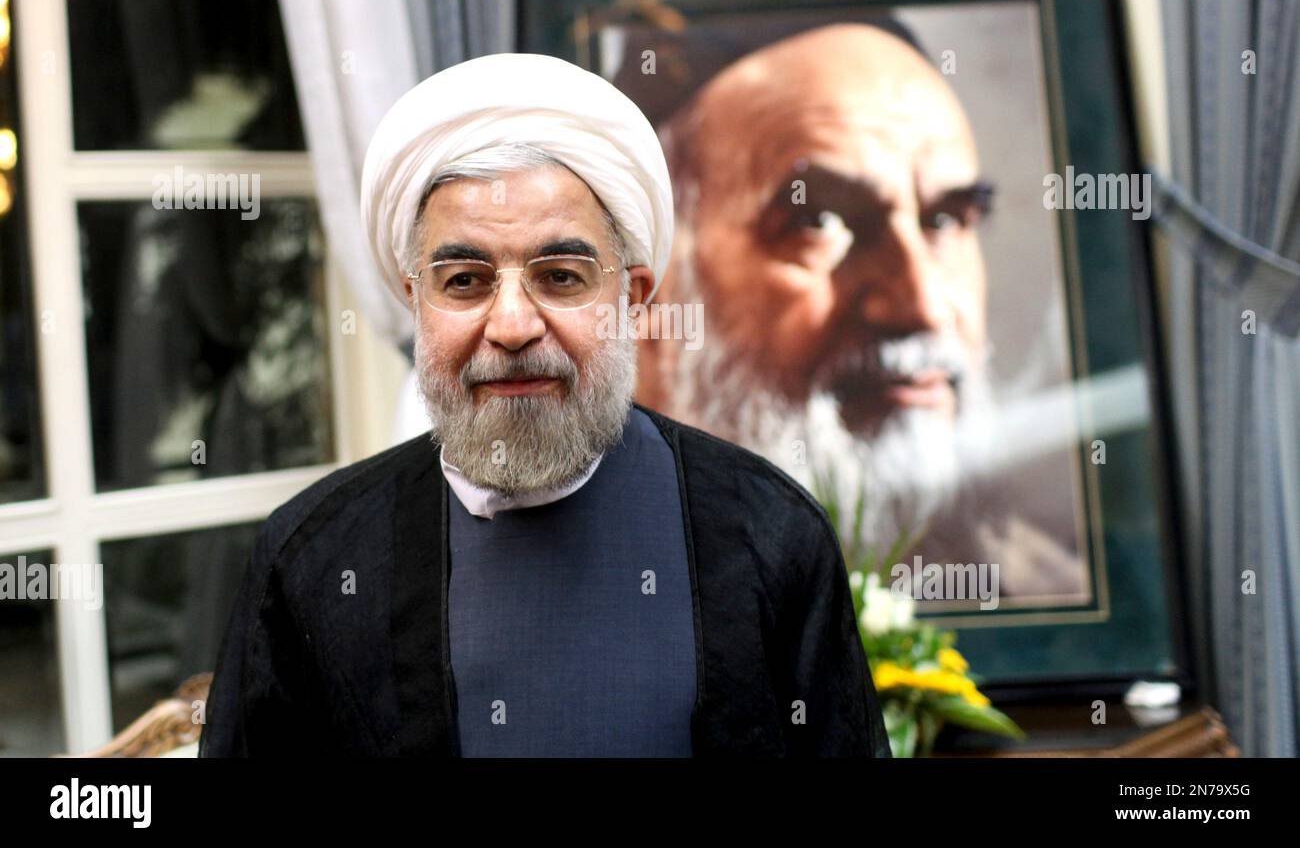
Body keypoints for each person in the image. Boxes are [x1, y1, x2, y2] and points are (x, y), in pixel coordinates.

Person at [198, 52, 890, 757]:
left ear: (635, 297)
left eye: (560, 277)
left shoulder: (769, 534)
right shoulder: (312, 559)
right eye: (464, 281)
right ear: (416, 303)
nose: (512, 326)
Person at [640, 23, 1084, 599]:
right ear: (644, 289)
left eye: (946, 221)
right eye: (817, 221)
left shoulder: (1050, 604)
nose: (920, 305)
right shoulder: (583, 614)